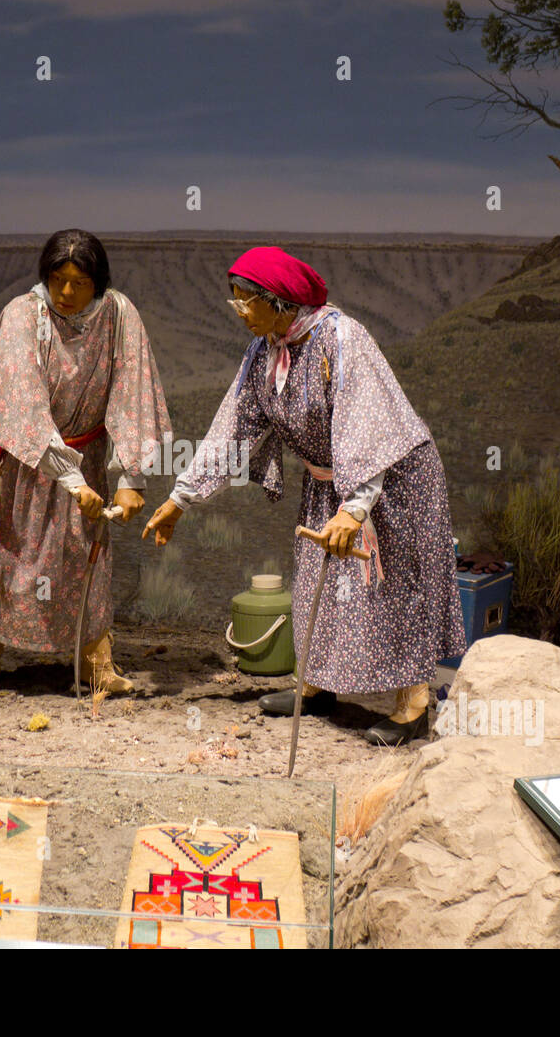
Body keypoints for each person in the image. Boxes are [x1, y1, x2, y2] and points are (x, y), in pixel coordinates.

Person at [142, 247, 466, 745]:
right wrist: (180, 499)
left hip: (391, 482)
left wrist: (357, 507)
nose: (241, 312)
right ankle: (315, 686)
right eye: (235, 302)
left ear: (282, 303)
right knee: (323, 577)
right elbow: (233, 427)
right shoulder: (265, 351)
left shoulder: (342, 340)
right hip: (329, 481)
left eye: (247, 301)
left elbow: (367, 427)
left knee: (390, 587)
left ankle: (414, 705)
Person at [0, 229, 171, 695]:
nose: (66, 293)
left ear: (99, 283)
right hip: (20, 459)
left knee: (81, 556)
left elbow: (134, 392)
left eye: (80, 283)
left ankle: (95, 660)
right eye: (57, 279)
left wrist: (131, 478)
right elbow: (22, 404)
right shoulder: (22, 316)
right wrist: (67, 476)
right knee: (7, 553)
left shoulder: (119, 315)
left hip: (84, 457)